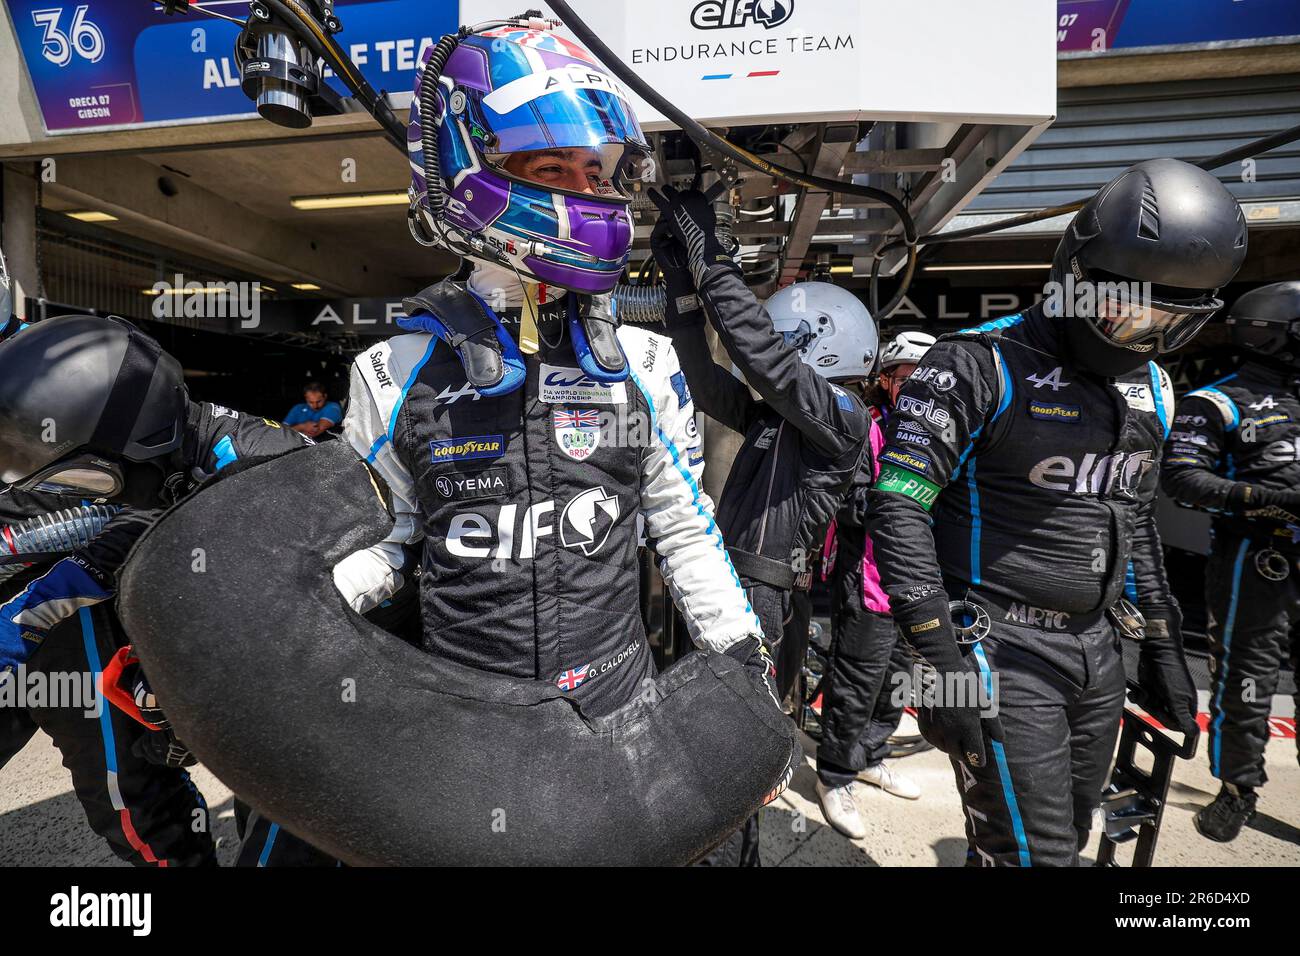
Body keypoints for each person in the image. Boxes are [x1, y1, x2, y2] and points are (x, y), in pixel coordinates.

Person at [230, 23, 776, 868]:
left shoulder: (644, 359)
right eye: (551, 168)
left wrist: (747, 670)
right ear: (473, 173)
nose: (585, 191)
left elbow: (685, 528)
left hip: (617, 713)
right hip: (462, 717)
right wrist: (276, 630)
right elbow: (385, 540)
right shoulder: (395, 366)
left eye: (594, 172)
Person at [865, 158, 1248, 865]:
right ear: (1077, 274)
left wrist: (1163, 649)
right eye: (1128, 312)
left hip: (1096, 649)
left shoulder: (1155, 387)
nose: (1143, 337)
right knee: (1034, 855)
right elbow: (897, 509)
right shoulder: (977, 364)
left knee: (1069, 838)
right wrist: (938, 661)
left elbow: (1133, 522)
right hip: (996, 647)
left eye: (1168, 321)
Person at [0, 314, 310, 866]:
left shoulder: (273, 476)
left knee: (152, 801)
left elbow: (324, 627)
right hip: (267, 701)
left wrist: (197, 698)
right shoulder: (167, 474)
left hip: (322, 724)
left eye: (82, 479)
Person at [652, 200, 873, 862]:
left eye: (787, 341)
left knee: (730, 756)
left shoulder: (844, 415)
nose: (775, 352)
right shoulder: (787, 424)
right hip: (739, 589)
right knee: (702, 746)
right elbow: (706, 379)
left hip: (765, 603)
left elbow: (763, 359)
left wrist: (712, 259)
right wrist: (680, 287)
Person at [1162, 280, 1300, 842]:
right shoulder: (1216, 401)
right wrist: (1271, 500)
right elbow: (1181, 478)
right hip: (1257, 557)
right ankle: (1238, 790)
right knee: (1247, 678)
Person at [814, 331, 936, 838]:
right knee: (856, 682)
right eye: (906, 378)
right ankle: (835, 775)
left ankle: (871, 756)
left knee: (896, 680)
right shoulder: (867, 429)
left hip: (919, 585)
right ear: (885, 381)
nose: (915, 389)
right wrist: (904, 506)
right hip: (868, 578)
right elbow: (848, 503)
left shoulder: (940, 435)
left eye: (924, 380)